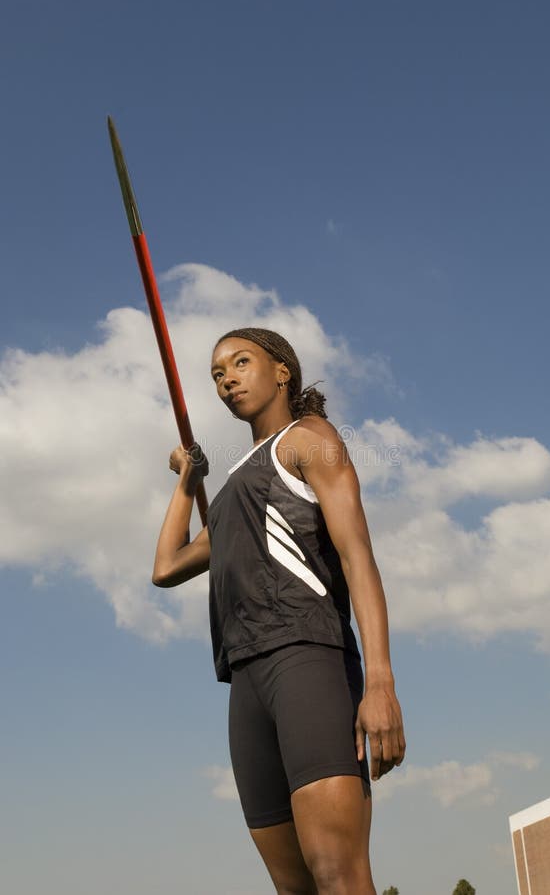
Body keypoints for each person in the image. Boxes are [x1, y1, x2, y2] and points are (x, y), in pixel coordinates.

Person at [152, 328, 405, 895]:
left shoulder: (308, 439)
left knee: (338, 873)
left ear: (282, 371)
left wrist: (381, 682)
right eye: (217, 374)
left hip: (307, 661)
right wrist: (188, 482)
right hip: (245, 683)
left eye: (240, 363)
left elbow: (359, 557)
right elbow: (166, 566)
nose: (227, 379)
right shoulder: (233, 491)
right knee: (294, 889)